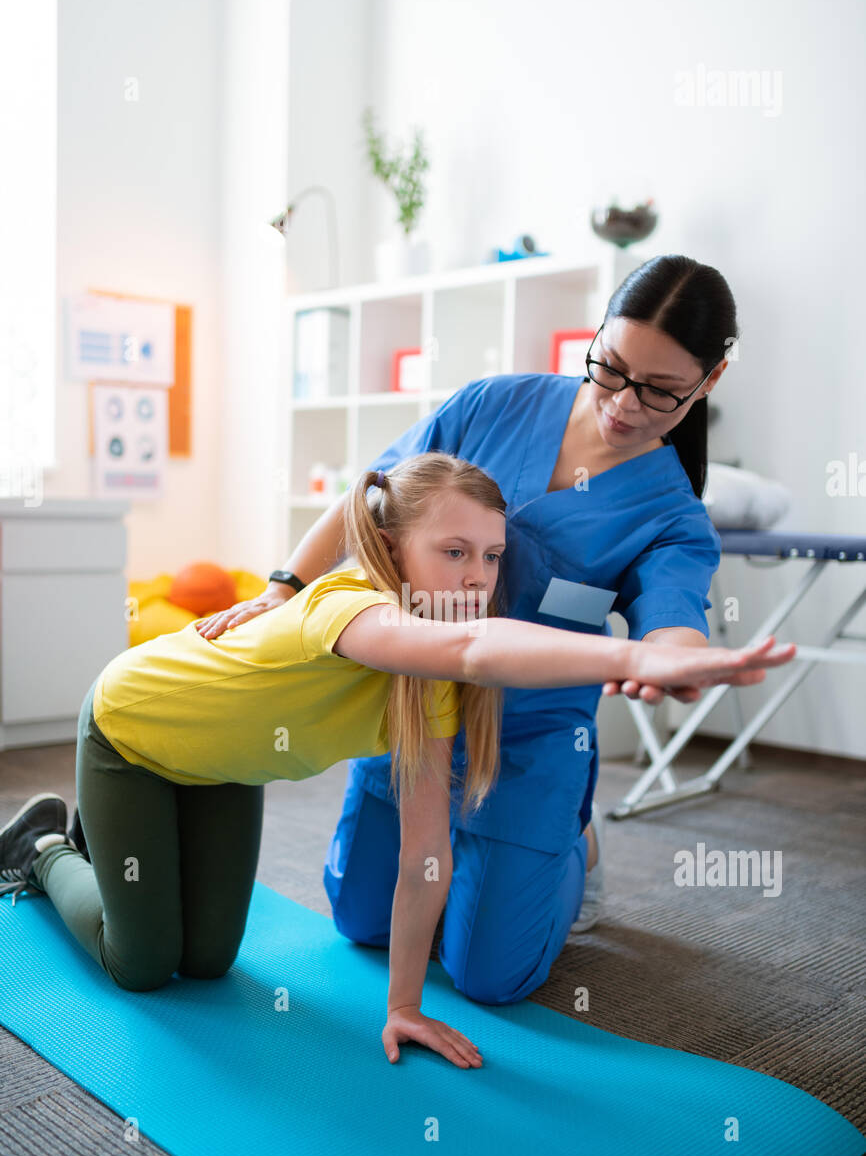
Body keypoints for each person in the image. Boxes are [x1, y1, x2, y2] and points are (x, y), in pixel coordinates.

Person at [3, 449, 796, 1067]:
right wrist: (638, 659)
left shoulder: (435, 685)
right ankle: (42, 847)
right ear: (391, 546)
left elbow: (427, 855)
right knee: (140, 965)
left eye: (490, 557)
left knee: (206, 963)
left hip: (223, 767)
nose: (478, 578)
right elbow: (477, 645)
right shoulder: (349, 604)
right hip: (134, 731)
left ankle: (103, 846)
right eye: (454, 552)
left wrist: (403, 1005)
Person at [195, 254, 742, 1000]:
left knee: (489, 976)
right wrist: (285, 588)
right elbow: (373, 493)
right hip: (420, 710)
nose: (622, 403)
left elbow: (673, 620)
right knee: (362, 923)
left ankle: (567, 844)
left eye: (660, 392)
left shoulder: (671, 516)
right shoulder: (496, 404)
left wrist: (677, 663)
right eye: (609, 368)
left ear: (708, 383)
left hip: (529, 737)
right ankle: (484, 851)